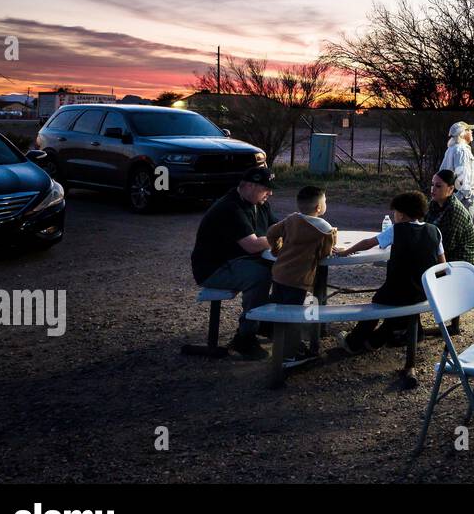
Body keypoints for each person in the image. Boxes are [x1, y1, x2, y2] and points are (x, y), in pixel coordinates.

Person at [334, 191, 445, 389]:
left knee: (377, 303)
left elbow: (370, 243)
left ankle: (353, 342)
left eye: (395, 212)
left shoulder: (397, 229)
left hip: (397, 289)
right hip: (423, 291)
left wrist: (346, 251)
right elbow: (442, 265)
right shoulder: (434, 231)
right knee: (399, 304)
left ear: (401, 214)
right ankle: (375, 341)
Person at [190, 166, 278, 360]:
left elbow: (276, 228)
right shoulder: (230, 207)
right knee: (260, 276)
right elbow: (253, 245)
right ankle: (244, 338)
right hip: (214, 268)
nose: (270, 192)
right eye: (265, 188)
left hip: (237, 261)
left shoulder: (260, 202)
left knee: (282, 269)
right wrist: (286, 237)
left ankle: (267, 322)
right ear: (247, 186)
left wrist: (293, 228)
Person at [265, 185, 337, 369]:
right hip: (298, 280)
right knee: (295, 315)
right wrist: (333, 237)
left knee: (281, 310)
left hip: (279, 273)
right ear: (319, 208)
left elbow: (272, 232)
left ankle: (280, 347)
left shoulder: (291, 219)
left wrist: (276, 248)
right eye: (325, 201)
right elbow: (325, 253)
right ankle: (291, 355)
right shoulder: (324, 228)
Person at [428, 168, 474, 335]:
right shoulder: (434, 204)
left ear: (450, 189)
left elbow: (447, 245)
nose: (433, 189)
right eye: (432, 185)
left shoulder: (455, 210)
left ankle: (450, 324)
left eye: (438, 186)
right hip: (445, 253)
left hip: (460, 262)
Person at [439, 120, 474, 212]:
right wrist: (467, 198)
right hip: (462, 202)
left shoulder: (451, 149)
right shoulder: (462, 151)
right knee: (465, 226)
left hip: (451, 199)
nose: (471, 131)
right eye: (468, 130)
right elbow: (462, 178)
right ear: (462, 133)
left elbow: (441, 172)